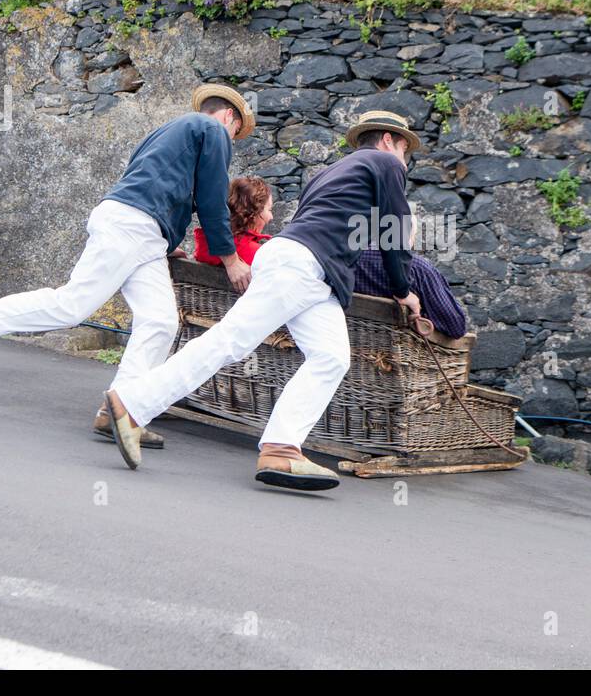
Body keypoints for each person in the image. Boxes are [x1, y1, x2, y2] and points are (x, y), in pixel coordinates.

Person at [101, 110, 424, 492]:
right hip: (303, 267)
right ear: (389, 140)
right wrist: (404, 290)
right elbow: (395, 229)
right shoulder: (386, 162)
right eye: (406, 149)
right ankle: (132, 404)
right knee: (230, 341)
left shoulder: (331, 173)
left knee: (331, 357)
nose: (405, 159)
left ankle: (281, 448)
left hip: (309, 271)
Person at [0, 84, 256, 450]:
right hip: (134, 227)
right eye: (236, 132)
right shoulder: (213, 130)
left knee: (160, 321)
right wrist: (231, 260)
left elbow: (157, 185)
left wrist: (166, 243)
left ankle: (120, 409)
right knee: (71, 304)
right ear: (230, 117)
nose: (232, 141)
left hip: (141, 232)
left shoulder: (169, 131)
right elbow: (212, 200)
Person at [354, 249, 467, 338]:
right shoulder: (418, 268)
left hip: (353, 350)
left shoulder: (346, 262)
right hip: (406, 357)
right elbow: (455, 327)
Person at [189, 176, 272, 267]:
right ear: (254, 214)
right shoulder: (261, 255)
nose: (271, 217)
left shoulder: (205, 245)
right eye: (269, 210)